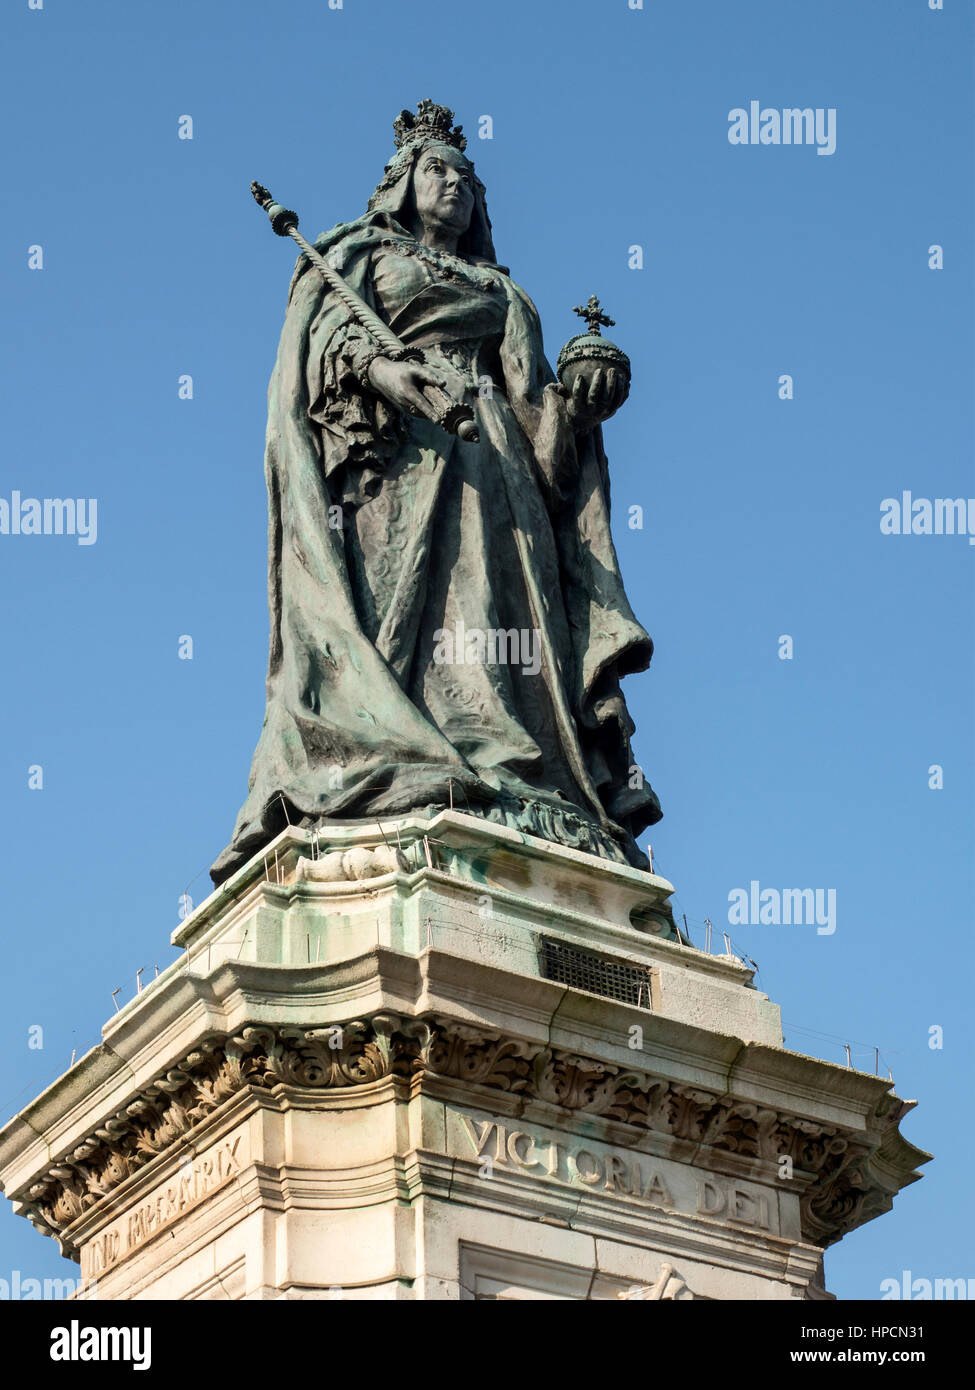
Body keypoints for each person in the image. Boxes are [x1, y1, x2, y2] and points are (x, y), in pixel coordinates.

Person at [210, 101, 661, 886]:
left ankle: (505, 757)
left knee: (497, 602)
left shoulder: (501, 292)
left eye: (466, 179)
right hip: (398, 452)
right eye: (437, 171)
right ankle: (397, 747)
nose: (454, 185)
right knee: (405, 604)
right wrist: (386, 370)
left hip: (494, 458)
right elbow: (323, 343)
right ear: (402, 182)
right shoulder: (357, 255)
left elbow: (536, 410)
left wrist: (582, 407)